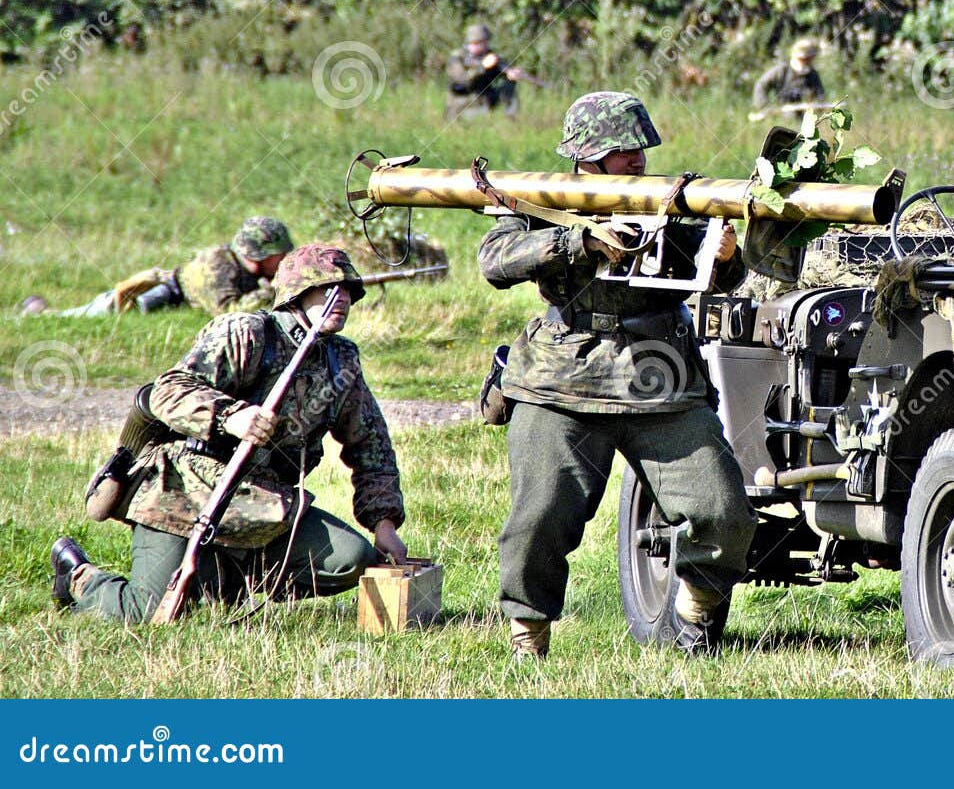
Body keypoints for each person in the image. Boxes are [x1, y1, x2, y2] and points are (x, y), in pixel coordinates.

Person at [478, 91, 756, 657]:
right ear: (586, 156)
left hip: (661, 378)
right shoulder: (541, 197)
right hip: (560, 379)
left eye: (639, 147)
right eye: (621, 149)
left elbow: (717, 277)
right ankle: (528, 637)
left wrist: (726, 257)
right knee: (539, 518)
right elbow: (496, 260)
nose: (637, 158)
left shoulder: (671, 197)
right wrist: (576, 240)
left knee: (723, 510)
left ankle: (696, 609)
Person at [50, 245, 407, 622]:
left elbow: (371, 445)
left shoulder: (341, 360)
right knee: (151, 612)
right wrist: (229, 417)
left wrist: (383, 522)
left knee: (351, 559)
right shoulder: (246, 333)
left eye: (349, 290)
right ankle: (79, 579)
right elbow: (167, 391)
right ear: (296, 294)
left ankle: (220, 581)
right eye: (329, 289)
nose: (343, 298)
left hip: (263, 504)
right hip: (183, 493)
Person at [33, 217, 293, 318]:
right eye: (278, 256)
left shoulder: (248, 267)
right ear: (257, 256)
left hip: (175, 300)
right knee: (86, 315)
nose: (284, 260)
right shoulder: (216, 268)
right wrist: (272, 290)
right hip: (156, 296)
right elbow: (228, 314)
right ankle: (37, 314)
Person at [445, 23, 527, 119]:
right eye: (482, 42)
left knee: (509, 86)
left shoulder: (489, 55)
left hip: (484, 101)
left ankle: (512, 118)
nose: (486, 45)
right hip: (463, 106)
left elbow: (501, 71)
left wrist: (511, 74)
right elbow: (460, 84)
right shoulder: (458, 58)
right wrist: (481, 67)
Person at [752, 37, 827, 114]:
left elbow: (820, 95)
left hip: (806, 115)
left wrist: (817, 105)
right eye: (802, 58)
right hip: (782, 113)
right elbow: (761, 84)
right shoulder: (781, 70)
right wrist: (765, 107)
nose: (805, 61)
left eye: (807, 58)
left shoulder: (813, 74)